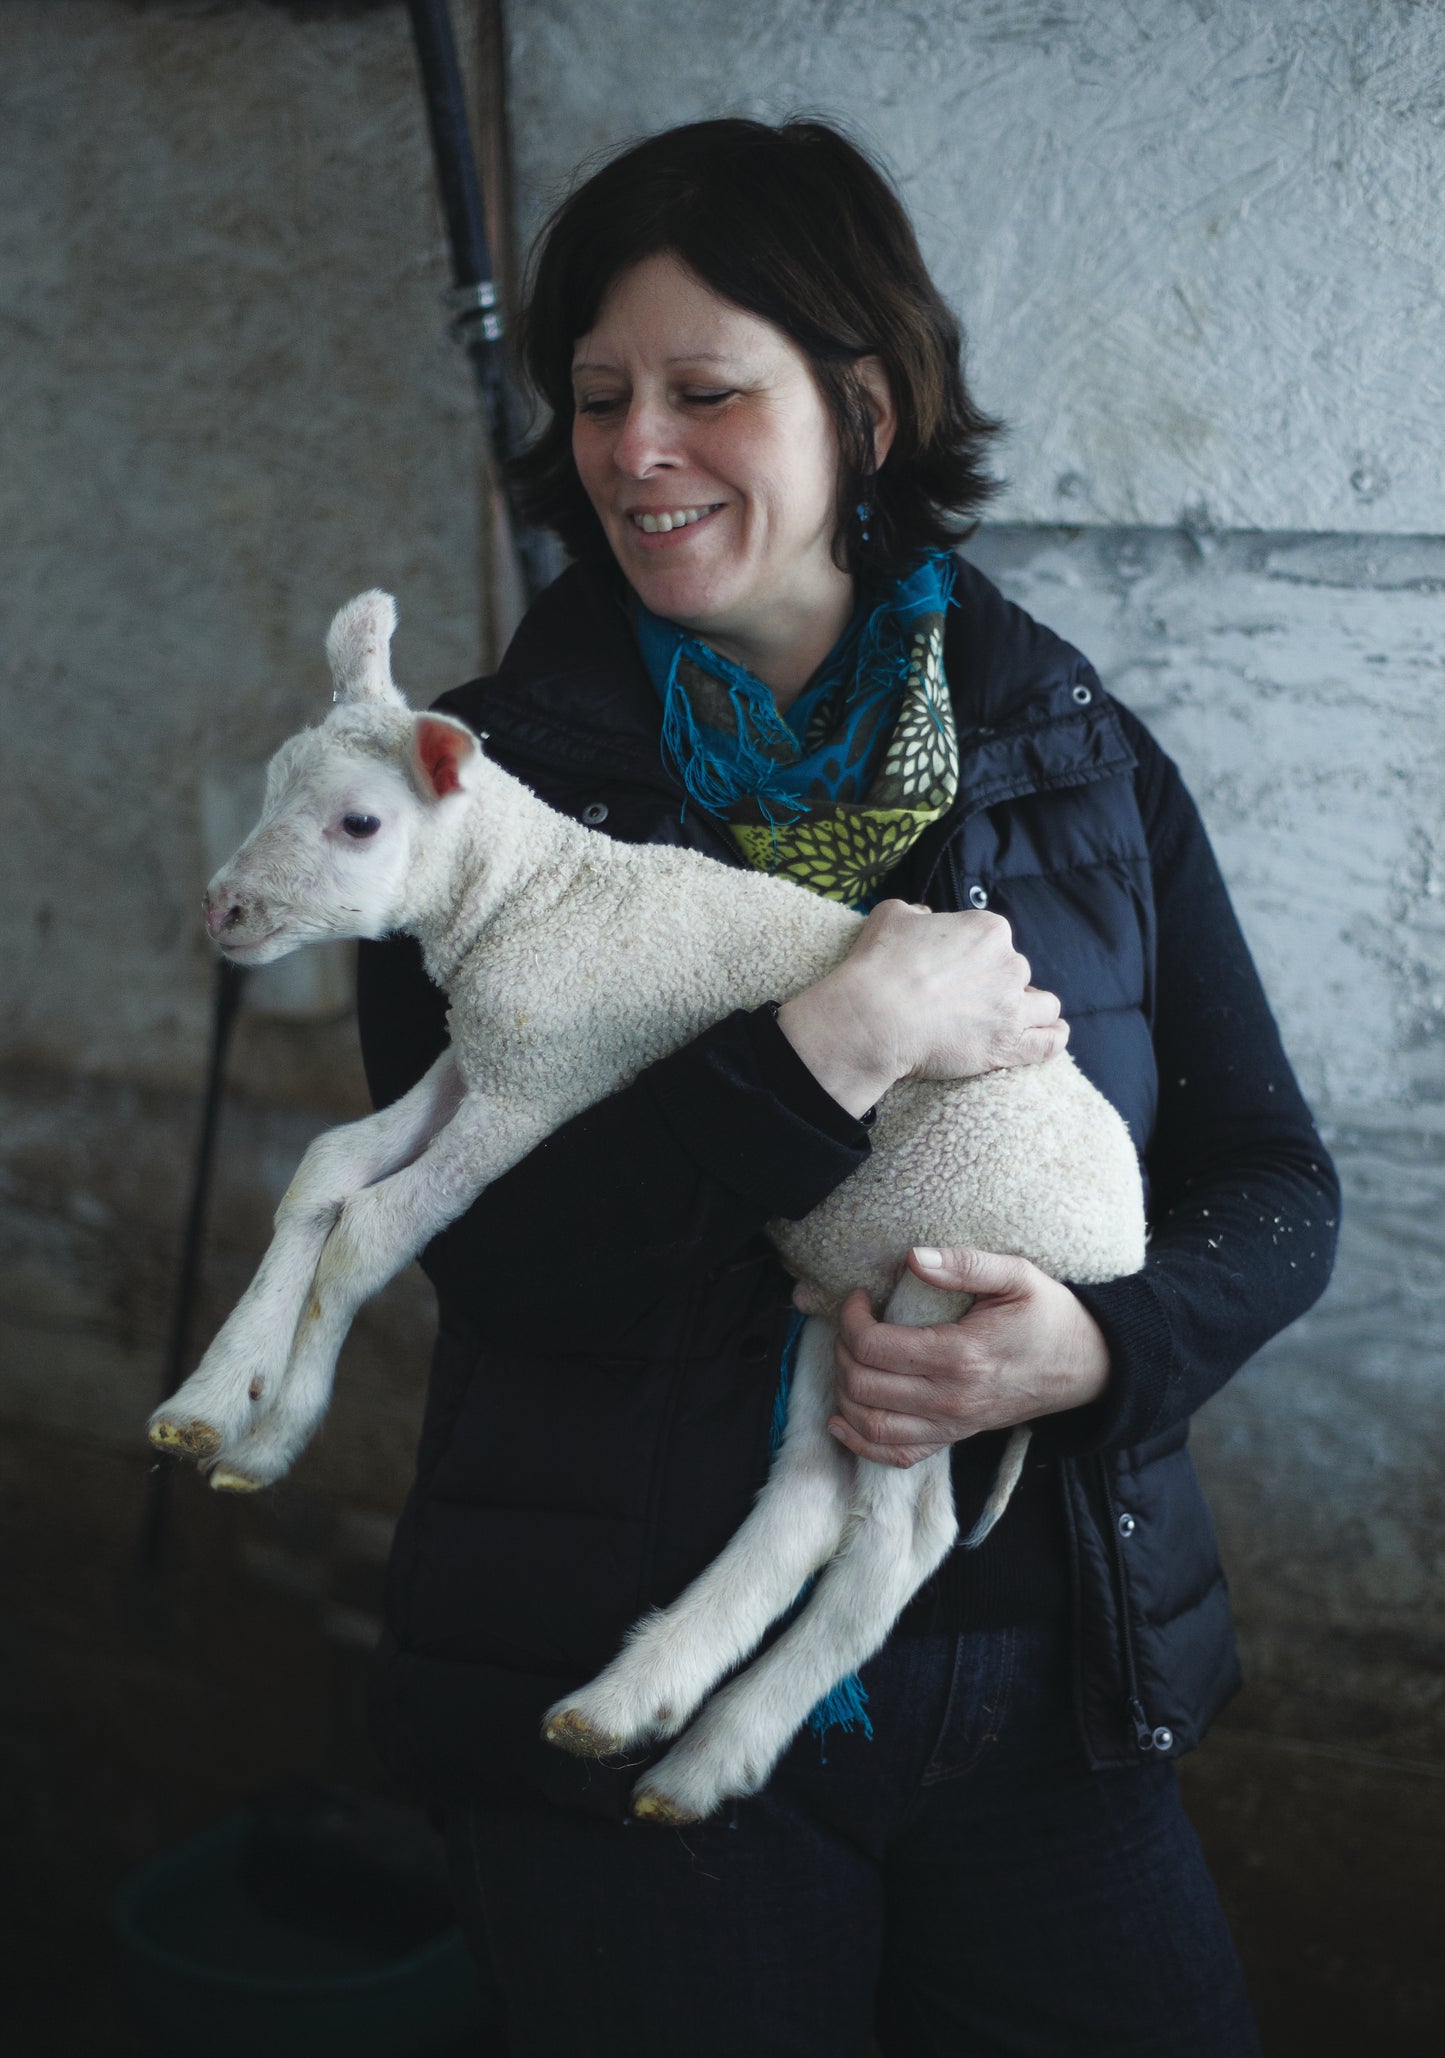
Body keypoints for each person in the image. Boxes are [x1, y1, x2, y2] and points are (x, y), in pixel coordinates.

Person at [357, 118, 1338, 2058]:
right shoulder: (468, 796)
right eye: (599, 397)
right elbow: (513, 1261)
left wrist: (1091, 1352)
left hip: (1038, 1692)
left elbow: (1271, 1177)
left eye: (705, 393)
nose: (632, 452)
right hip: (631, 1693)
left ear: (865, 412)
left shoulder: (1071, 750)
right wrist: (825, 1050)